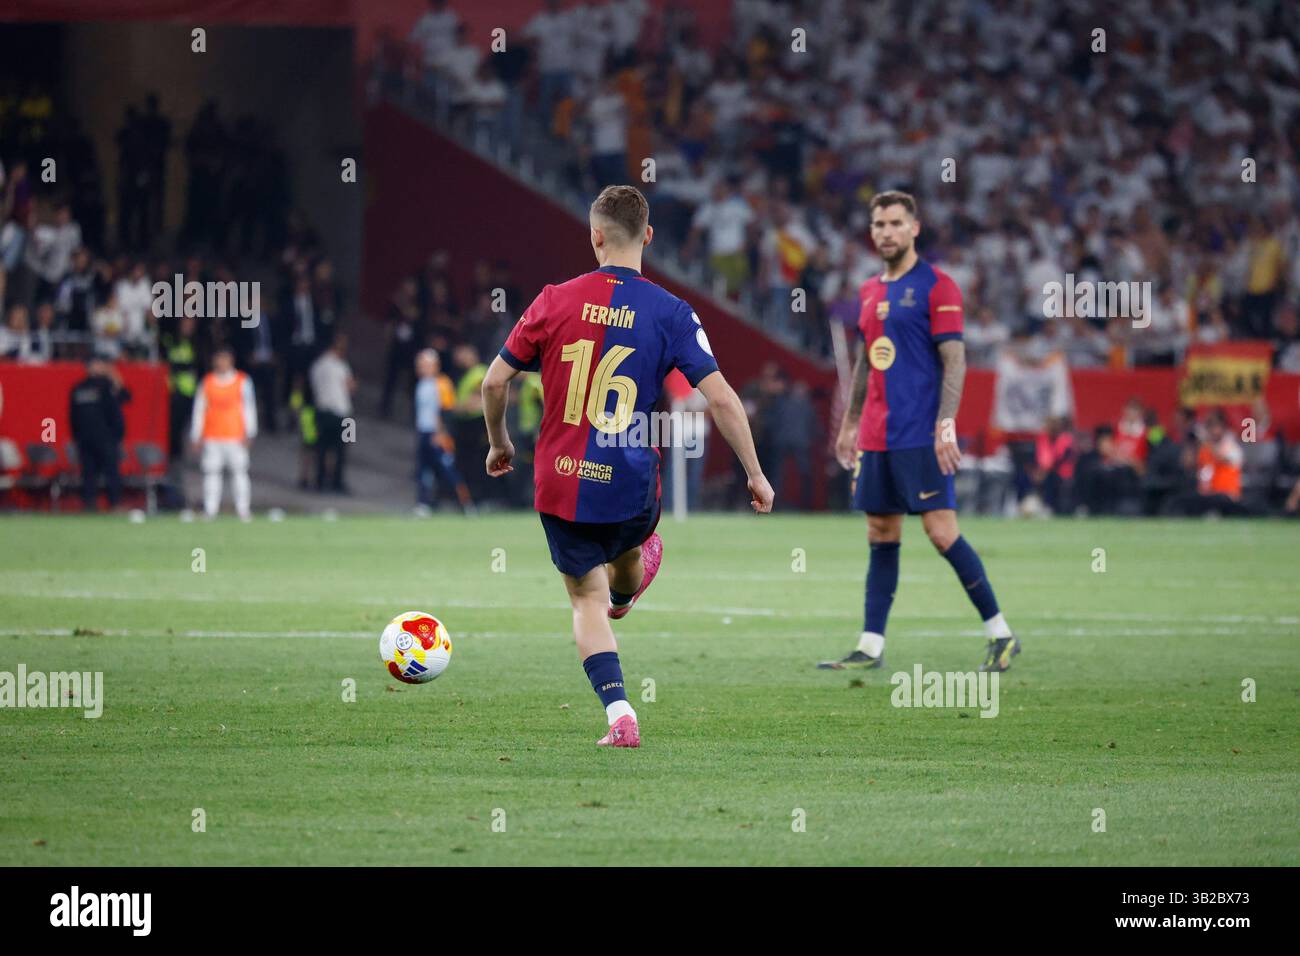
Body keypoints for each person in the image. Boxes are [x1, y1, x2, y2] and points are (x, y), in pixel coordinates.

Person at [480, 184, 774, 748]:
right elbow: (721, 399)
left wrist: (499, 444)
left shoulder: (551, 300)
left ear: (595, 235)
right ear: (650, 237)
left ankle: (620, 715)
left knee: (583, 599)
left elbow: (496, 381)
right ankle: (628, 586)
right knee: (628, 553)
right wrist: (755, 474)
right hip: (630, 480)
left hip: (560, 479)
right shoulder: (673, 312)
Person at [821, 191, 1018, 674]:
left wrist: (945, 424)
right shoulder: (868, 291)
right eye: (878, 224)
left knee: (940, 531)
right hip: (876, 434)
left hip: (919, 433)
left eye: (894, 222)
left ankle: (1001, 634)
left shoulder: (938, 286)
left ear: (914, 228)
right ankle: (870, 645)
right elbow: (867, 363)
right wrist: (849, 424)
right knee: (880, 531)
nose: (885, 231)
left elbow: (955, 360)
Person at [190, 347, 257, 520]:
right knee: (212, 473)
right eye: (219, 359)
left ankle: (243, 510)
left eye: (225, 359)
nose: (221, 363)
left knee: (239, 472)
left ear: (231, 361)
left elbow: (249, 407)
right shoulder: (208, 382)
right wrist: (196, 435)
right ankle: (210, 510)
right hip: (212, 435)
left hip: (235, 435)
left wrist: (250, 432)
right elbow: (199, 409)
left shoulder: (242, 381)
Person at [414, 349, 474, 514]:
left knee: (448, 470)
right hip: (423, 432)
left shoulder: (442, 383)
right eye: (420, 365)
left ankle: (466, 503)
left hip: (437, 433)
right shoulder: (421, 384)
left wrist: (441, 433)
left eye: (425, 365)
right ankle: (423, 503)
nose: (421, 368)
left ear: (435, 366)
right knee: (423, 470)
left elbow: (446, 410)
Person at [69, 356, 129, 511]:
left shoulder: (105, 385)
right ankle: (90, 505)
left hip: (106, 438)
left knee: (111, 473)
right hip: (89, 439)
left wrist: (115, 377)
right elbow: (73, 416)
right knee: (89, 474)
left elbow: (125, 397)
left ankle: (114, 504)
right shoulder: (80, 388)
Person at [310, 332, 355, 493]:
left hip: (322, 411)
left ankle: (320, 481)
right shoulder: (341, 365)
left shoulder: (317, 365)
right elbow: (351, 387)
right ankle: (337, 481)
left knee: (322, 448)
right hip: (343, 414)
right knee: (342, 450)